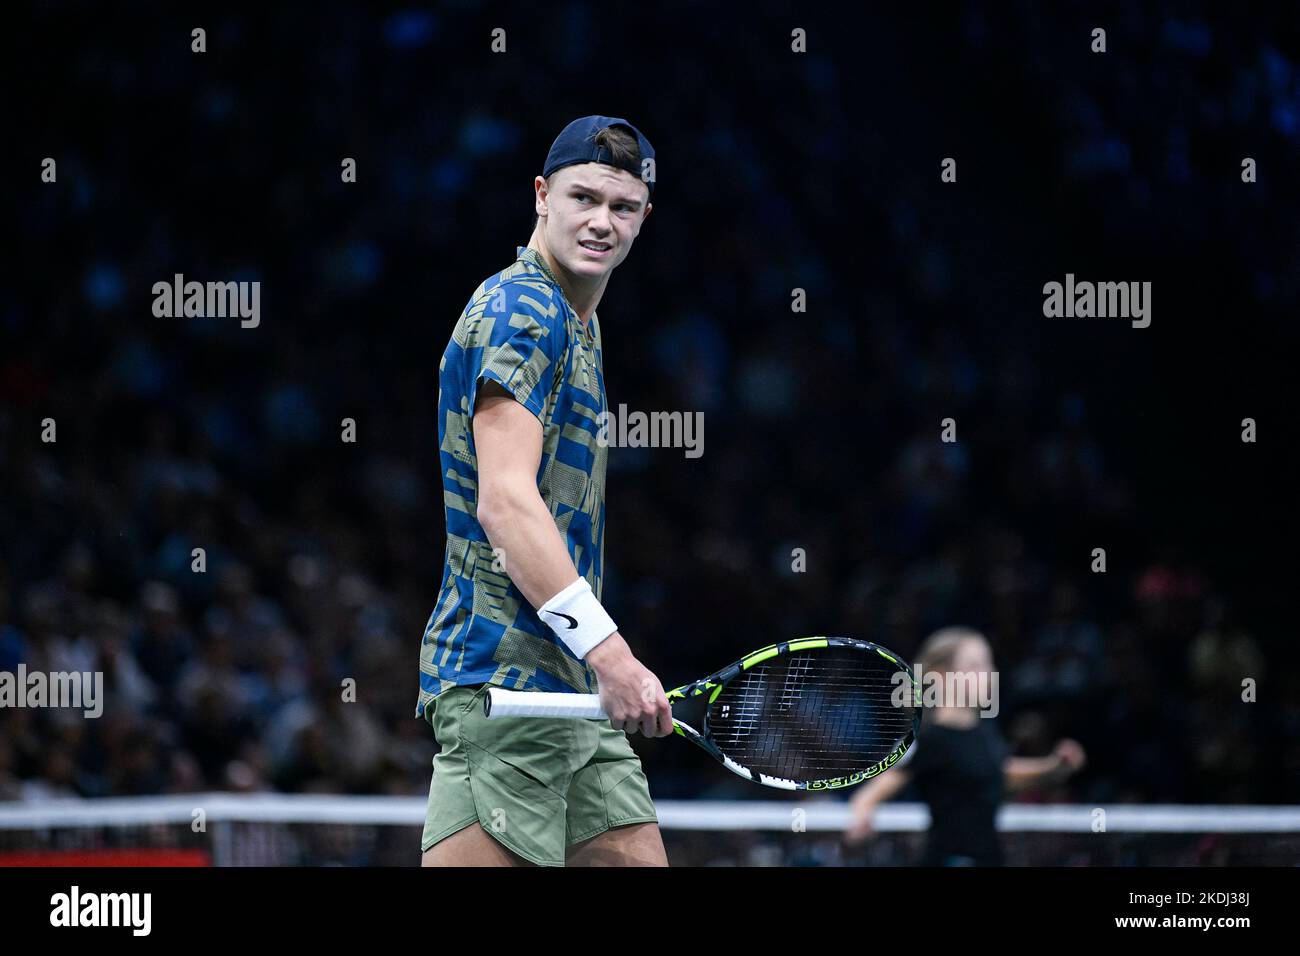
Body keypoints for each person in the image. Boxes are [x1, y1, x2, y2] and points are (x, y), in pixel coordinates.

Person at [418, 117, 672, 867]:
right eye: (582, 197)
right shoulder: (523, 308)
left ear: (643, 218)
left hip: (576, 698)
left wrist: (600, 666)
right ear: (540, 195)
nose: (601, 221)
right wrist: (615, 654)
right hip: (503, 687)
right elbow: (505, 501)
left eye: (622, 208)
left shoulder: (580, 325)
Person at [844, 627, 1086, 865]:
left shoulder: (985, 732)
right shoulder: (931, 739)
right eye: (975, 666)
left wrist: (1053, 768)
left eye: (988, 664)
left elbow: (998, 774)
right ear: (941, 676)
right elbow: (873, 792)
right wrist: (863, 813)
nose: (988, 673)